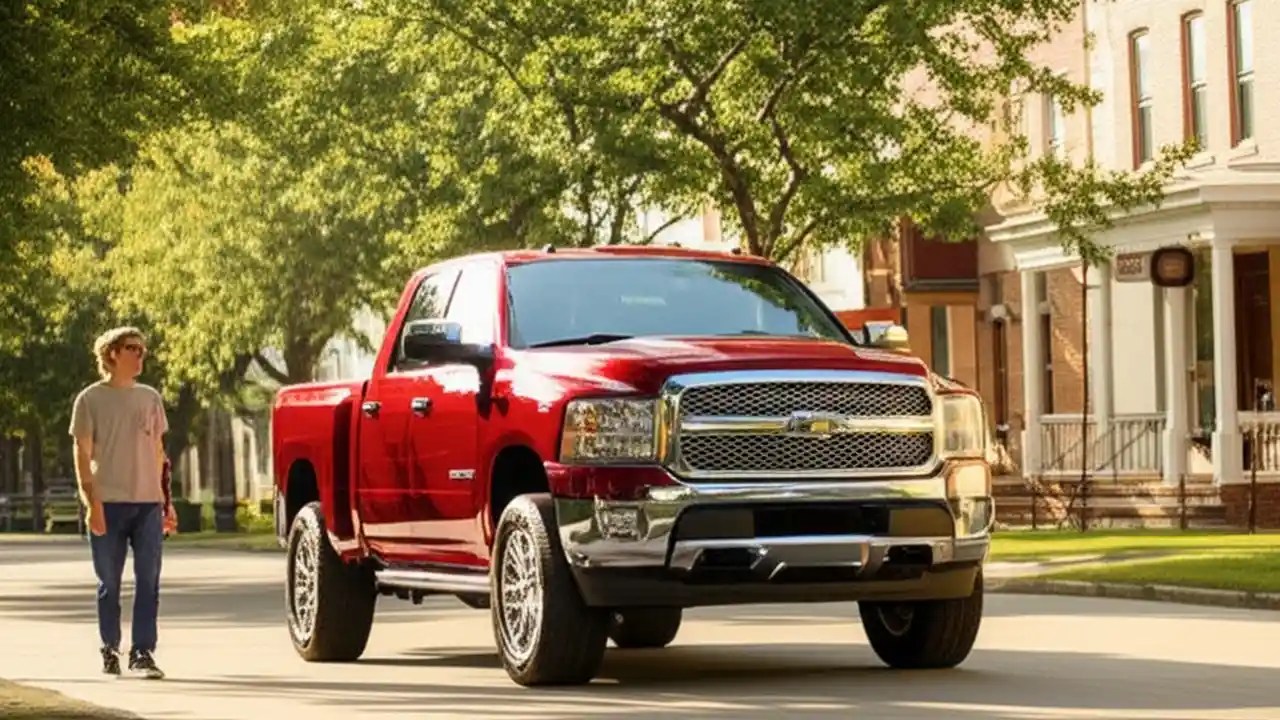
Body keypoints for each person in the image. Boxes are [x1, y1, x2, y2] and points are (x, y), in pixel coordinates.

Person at [69, 326, 177, 679]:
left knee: (149, 581)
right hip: (108, 503)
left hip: (147, 504)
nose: (140, 355)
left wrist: (166, 502)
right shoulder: (89, 400)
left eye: (143, 350)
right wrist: (92, 502)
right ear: (112, 354)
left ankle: (143, 652)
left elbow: (160, 455)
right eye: (133, 348)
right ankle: (110, 648)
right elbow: (81, 455)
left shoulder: (150, 398)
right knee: (109, 584)